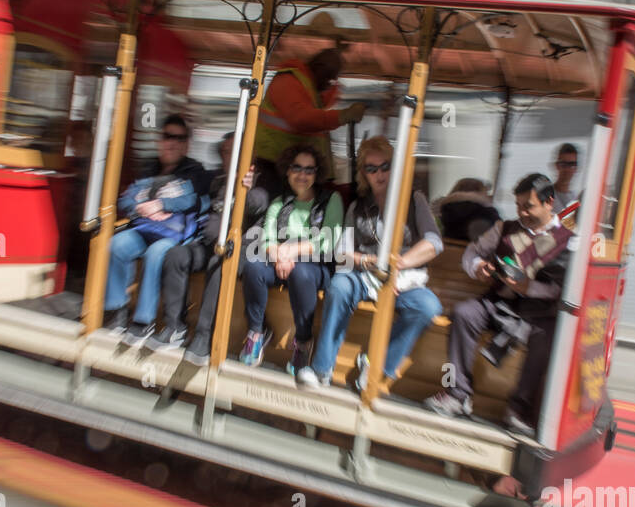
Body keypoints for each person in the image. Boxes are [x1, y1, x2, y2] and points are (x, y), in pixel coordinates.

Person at [425, 172, 576, 438]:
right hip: (501, 302)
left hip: (538, 311)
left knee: (545, 336)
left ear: (549, 202)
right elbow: (472, 252)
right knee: (463, 313)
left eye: (528, 206)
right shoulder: (504, 228)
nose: (522, 213)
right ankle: (457, 393)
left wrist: (530, 288)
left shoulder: (567, 242)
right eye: (518, 206)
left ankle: (520, 409)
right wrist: (478, 267)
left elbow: (561, 289)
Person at [299, 136, 443, 391]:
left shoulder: (413, 200)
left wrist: (399, 264)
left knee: (428, 306)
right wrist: (368, 261)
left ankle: (375, 365)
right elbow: (342, 254)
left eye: (385, 166)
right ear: (364, 174)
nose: (379, 174)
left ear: (394, 168)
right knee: (339, 286)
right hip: (366, 277)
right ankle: (322, 368)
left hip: (404, 280)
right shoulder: (358, 207)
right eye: (371, 168)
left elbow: (434, 243)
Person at [150, 132, 270, 363]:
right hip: (209, 245)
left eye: (237, 151)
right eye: (226, 152)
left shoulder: (261, 181)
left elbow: (259, 203)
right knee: (176, 255)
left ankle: (204, 336)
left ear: (250, 155)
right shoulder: (217, 181)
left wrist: (244, 188)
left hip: (242, 251)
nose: (231, 156)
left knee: (220, 262)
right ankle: (175, 326)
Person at [104, 115, 212, 344]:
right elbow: (125, 201)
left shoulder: (194, 171)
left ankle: (143, 321)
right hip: (144, 228)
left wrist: (162, 204)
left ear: (186, 144)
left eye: (178, 138)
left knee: (156, 254)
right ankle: (117, 311)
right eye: (166, 136)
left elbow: (191, 200)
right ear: (159, 140)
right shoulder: (148, 168)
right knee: (117, 244)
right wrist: (143, 209)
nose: (171, 142)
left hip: (171, 234)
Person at [238, 144, 344, 369]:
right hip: (283, 263)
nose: (302, 175)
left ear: (317, 173)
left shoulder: (331, 199)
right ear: (287, 171)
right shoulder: (279, 202)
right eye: (297, 168)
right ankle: (256, 333)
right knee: (254, 266)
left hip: (315, 267)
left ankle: (304, 341)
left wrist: (292, 251)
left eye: (309, 170)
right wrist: (279, 255)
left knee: (301, 272)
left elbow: (329, 241)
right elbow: (267, 238)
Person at [253, 45, 365, 195]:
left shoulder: (310, 88)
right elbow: (301, 118)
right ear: (318, 67)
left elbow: (326, 99)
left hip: (294, 170)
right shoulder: (288, 81)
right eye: (329, 77)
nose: (329, 83)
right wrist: (343, 116)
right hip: (274, 168)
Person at [433, 177, 500, 242]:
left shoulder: (443, 210)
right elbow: (501, 235)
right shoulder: (488, 212)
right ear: (481, 192)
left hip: (448, 251)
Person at [552, 143, 579, 213]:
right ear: (556, 166)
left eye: (571, 164)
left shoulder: (576, 199)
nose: (567, 169)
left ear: (576, 168)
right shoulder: (546, 197)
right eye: (563, 164)